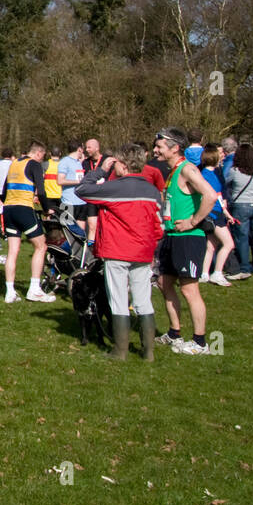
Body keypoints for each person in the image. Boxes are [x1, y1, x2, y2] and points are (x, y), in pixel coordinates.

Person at [78, 145, 164, 360]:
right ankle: (148, 351)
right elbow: (157, 222)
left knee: (118, 299)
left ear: (123, 165)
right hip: (143, 250)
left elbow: (82, 189)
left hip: (118, 249)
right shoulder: (152, 191)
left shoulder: (114, 188)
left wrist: (100, 171)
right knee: (143, 300)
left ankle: (120, 350)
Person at [152, 128, 218, 355]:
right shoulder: (172, 172)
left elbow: (210, 196)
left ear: (174, 148)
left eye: (159, 146)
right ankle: (174, 333)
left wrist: (193, 221)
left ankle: (200, 343)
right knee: (164, 282)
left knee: (189, 289)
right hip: (171, 236)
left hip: (189, 237)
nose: (155, 150)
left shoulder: (187, 169)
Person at [0, 141, 56, 303]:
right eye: (42, 156)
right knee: (41, 246)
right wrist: (47, 209)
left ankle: (10, 292)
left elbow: (4, 190)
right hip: (23, 209)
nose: (42, 159)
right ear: (38, 153)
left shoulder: (14, 163)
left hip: (8, 209)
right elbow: (42, 191)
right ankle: (34, 289)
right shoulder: (34, 164)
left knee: (12, 251)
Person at [224, 142, 253, 276]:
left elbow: (226, 183)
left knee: (241, 237)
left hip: (241, 205)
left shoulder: (234, 171)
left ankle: (244, 266)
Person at [197, 145, 234, 286]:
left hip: (218, 212)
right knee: (229, 244)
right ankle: (217, 273)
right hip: (213, 214)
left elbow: (218, 196)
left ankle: (204, 273)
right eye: (220, 154)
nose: (222, 156)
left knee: (212, 245)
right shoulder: (206, 175)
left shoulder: (212, 174)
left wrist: (226, 213)